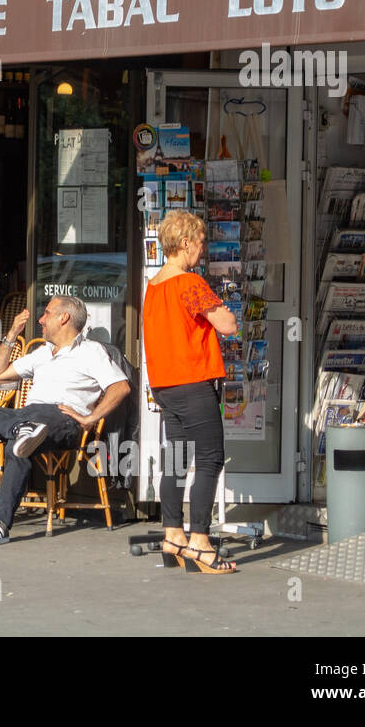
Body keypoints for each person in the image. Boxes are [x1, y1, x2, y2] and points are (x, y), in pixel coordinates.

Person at [0, 296, 130, 547]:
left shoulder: (91, 351)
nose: (40, 319)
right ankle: (20, 430)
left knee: (18, 445)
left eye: (46, 313)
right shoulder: (42, 353)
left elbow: (120, 387)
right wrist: (13, 332)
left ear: (64, 318)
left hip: (60, 417)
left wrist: (91, 418)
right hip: (25, 417)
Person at [142, 210, 239, 573]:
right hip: (194, 382)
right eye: (200, 242)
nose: (202, 249)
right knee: (211, 459)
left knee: (177, 460)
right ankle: (200, 540)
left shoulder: (153, 287)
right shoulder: (189, 283)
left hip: (165, 385)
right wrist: (223, 311)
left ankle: (172, 536)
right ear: (185, 243)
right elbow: (227, 325)